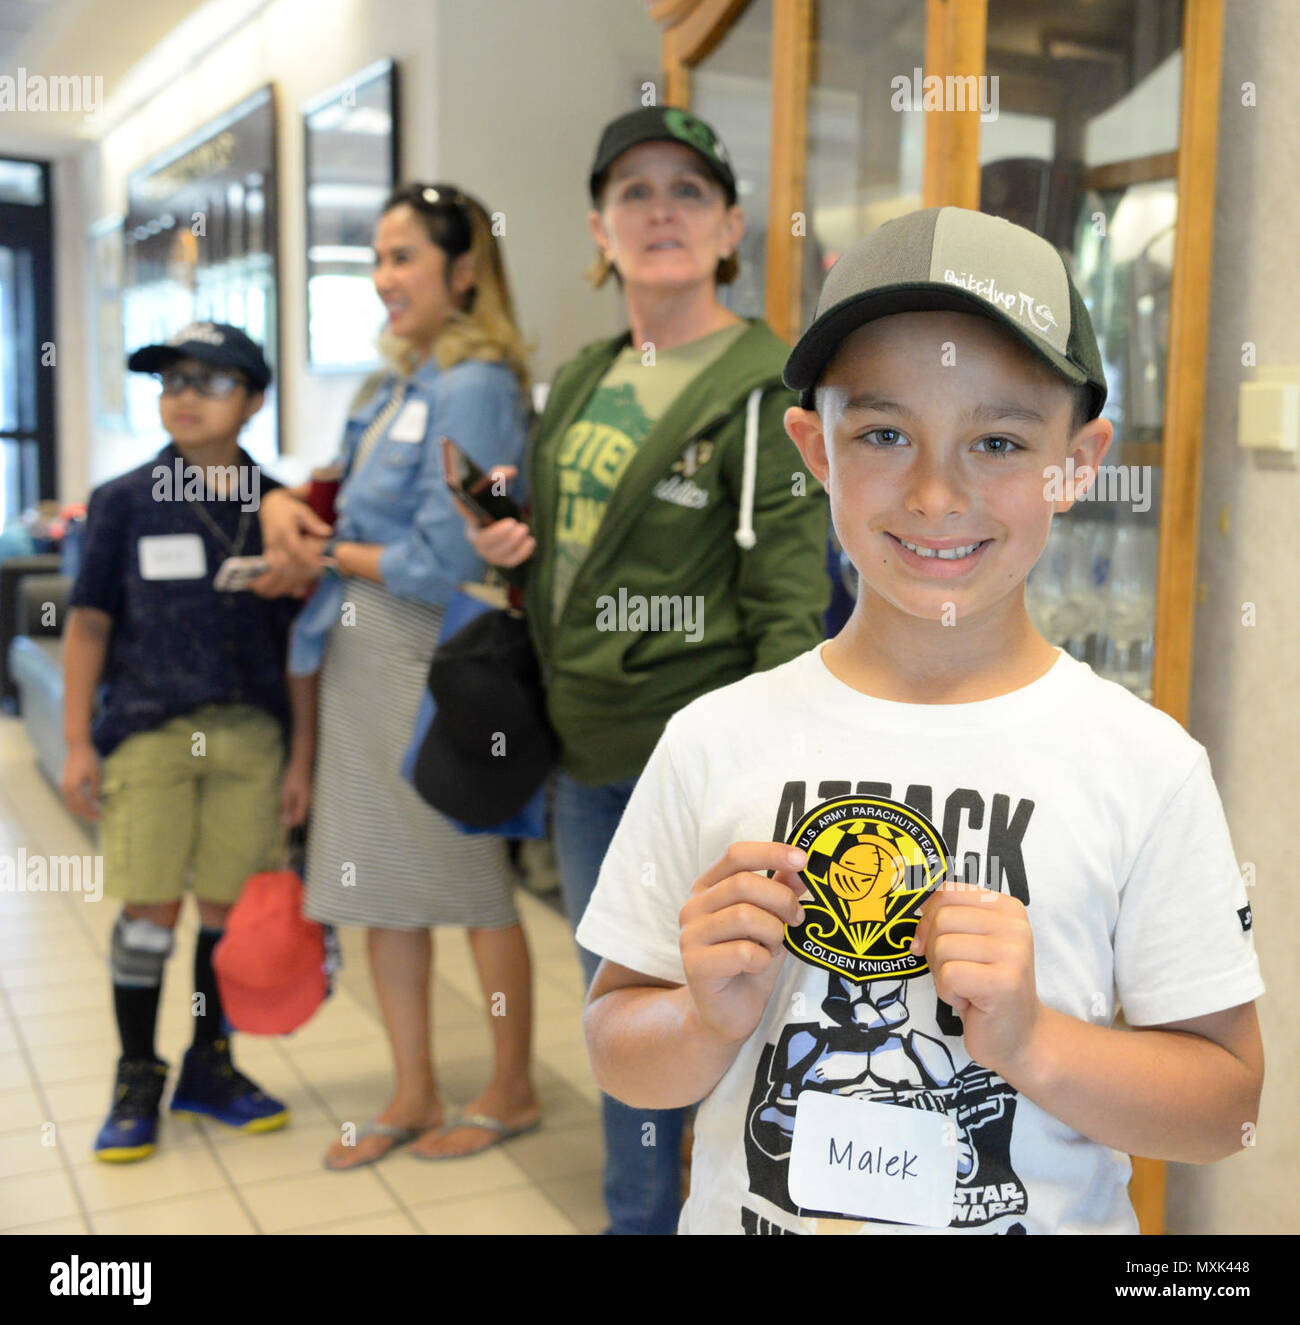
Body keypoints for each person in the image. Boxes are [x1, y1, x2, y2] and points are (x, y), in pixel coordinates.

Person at [577, 207, 1265, 1234]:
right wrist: (698, 1015)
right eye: (884, 433)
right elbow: (620, 1047)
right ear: (814, 446)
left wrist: (1033, 1040)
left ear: (1077, 461)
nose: (937, 493)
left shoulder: (1143, 764)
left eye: (997, 440)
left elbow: (1224, 1108)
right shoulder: (715, 737)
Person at [465, 106, 830, 1232]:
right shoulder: (580, 377)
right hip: (587, 760)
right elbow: (565, 549)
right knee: (621, 1026)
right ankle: (635, 1221)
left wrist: (775, 780)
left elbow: (787, 601)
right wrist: (507, 544)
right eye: (634, 191)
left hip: (708, 779)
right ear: (598, 228)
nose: (659, 209)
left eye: (686, 190)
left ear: (727, 228)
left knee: (730, 1030)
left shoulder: (770, 379)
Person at [255, 183, 538, 1168]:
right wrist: (293, 509)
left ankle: (511, 1082)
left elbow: (450, 555)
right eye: (376, 258)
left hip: (433, 660)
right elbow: (339, 488)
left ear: (463, 271)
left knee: (468, 880)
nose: (384, 278)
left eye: (404, 256)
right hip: (357, 661)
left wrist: (329, 555)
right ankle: (412, 1086)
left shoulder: (478, 384)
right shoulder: (392, 384)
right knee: (377, 883)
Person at [62, 323, 310, 1162]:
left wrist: (303, 757)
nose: (184, 394)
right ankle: (136, 1074)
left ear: (254, 398)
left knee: (228, 916)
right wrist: (76, 744)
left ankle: (212, 1063)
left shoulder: (281, 508)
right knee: (148, 910)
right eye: (171, 380)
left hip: (251, 734)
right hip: (147, 733)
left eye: (209, 379)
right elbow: (88, 624)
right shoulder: (123, 500)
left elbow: (302, 649)